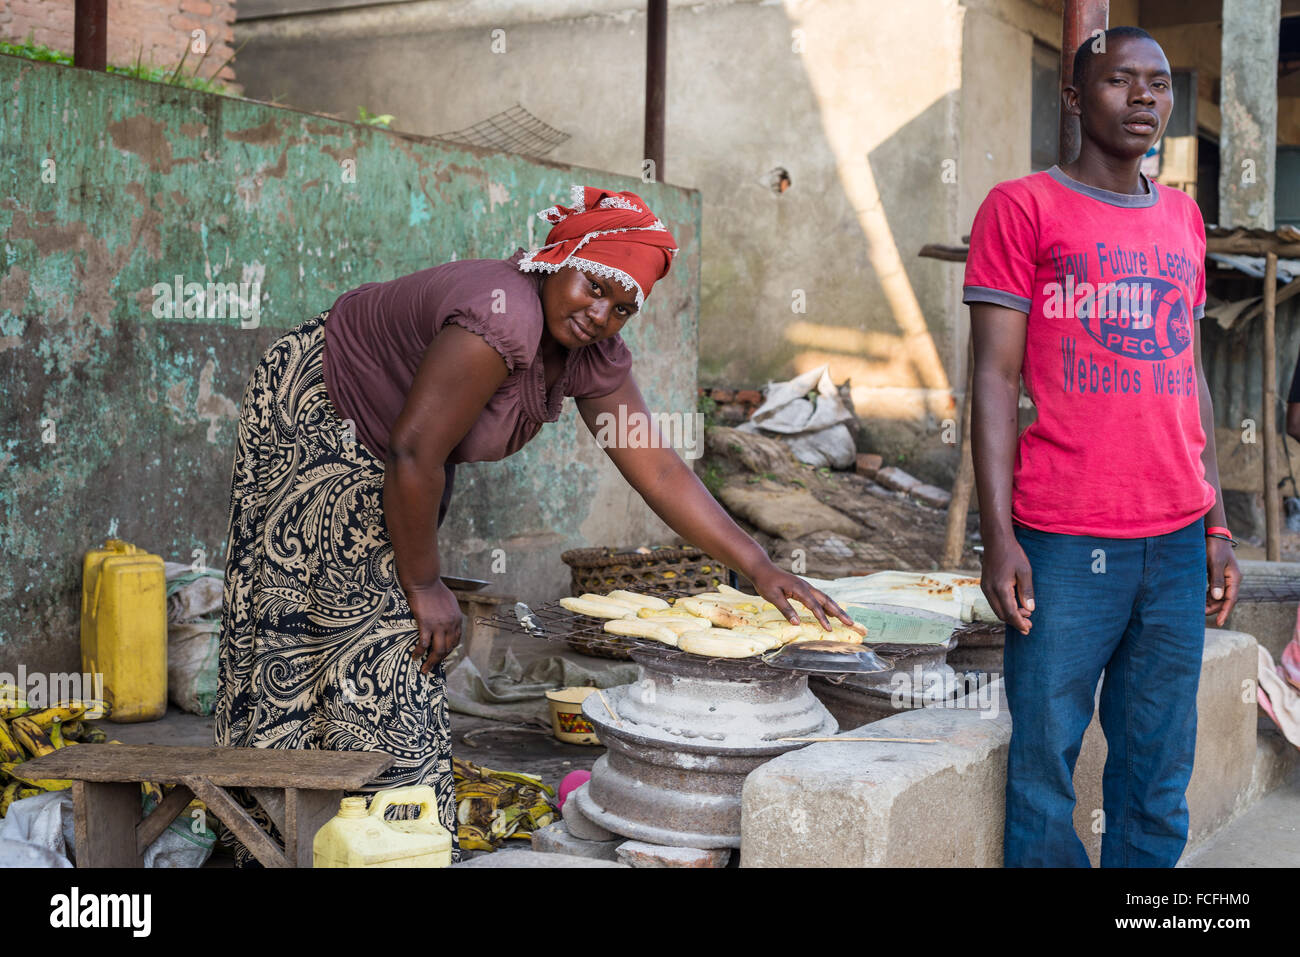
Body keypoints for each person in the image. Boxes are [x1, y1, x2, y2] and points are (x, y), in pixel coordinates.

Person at [213, 184, 855, 866]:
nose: (600, 313)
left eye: (622, 307)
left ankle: (368, 830)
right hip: (321, 406)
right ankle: (299, 827)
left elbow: (658, 469)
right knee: (362, 621)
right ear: (559, 259)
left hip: (406, 450)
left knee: (381, 628)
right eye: (594, 285)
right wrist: (426, 582)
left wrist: (759, 565)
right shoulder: (503, 316)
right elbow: (413, 451)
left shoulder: (590, 353)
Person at [963, 27, 1241, 867]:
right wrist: (1000, 535)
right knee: (1046, 761)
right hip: (1065, 534)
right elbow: (993, 377)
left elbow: (1185, 373)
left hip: (1175, 539)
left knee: (1159, 766)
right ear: (1077, 99)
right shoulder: (1022, 207)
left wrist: (1217, 522)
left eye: (1158, 84)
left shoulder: (1184, 216)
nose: (1146, 98)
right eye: (1121, 81)